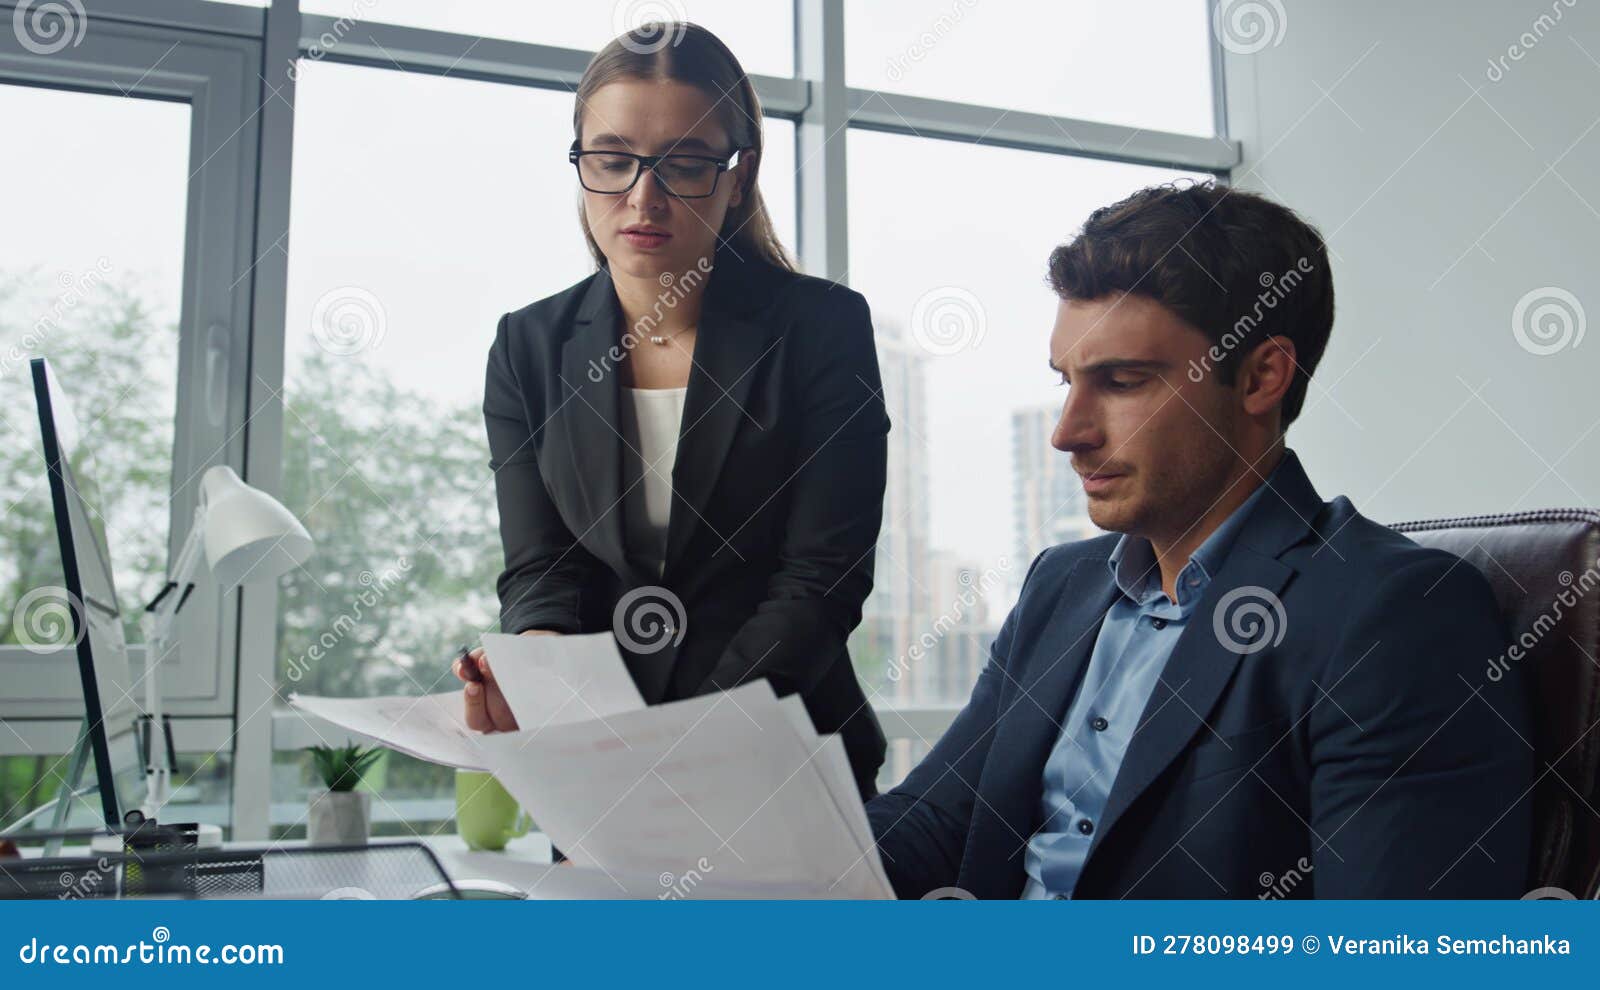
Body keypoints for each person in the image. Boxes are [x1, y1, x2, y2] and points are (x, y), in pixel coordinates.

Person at [866, 181, 1537, 897]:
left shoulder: (1400, 616)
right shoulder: (1060, 585)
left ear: (1261, 377)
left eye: (1122, 381)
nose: (1069, 432)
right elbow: (937, 823)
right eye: (1066, 382)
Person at [455, 22, 889, 798]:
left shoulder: (821, 329)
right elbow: (542, 567)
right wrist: (535, 663)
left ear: (737, 173)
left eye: (685, 163)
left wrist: (681, 746)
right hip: (598, 769)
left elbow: (820, 582)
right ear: (580, 162)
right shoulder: (528, 346)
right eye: (612, 159)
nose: (642, 196)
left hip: (780, 756)